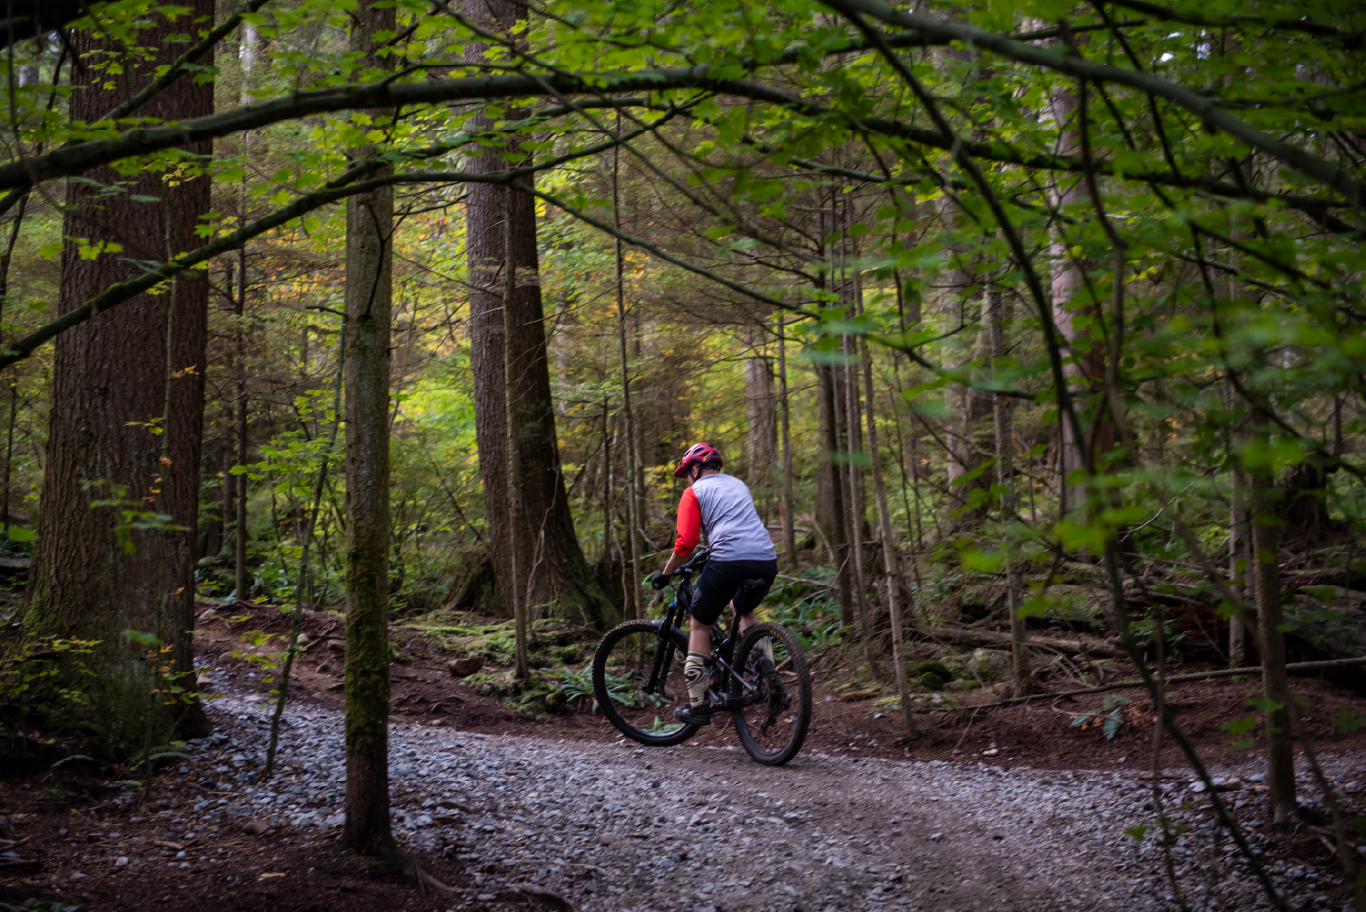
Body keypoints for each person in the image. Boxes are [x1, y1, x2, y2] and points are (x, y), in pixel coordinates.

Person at [650, 442, 778, 725]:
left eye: (687, 473)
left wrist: (667, 572)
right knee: (741, 608)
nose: (687, 478)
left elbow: (685, 542)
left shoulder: (693, 491)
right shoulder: (738, 485)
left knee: (699, 623)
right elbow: (736, 524)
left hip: (729, 560)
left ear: (695, 469)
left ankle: (698, 705)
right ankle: (768, 672)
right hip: (767, 559)